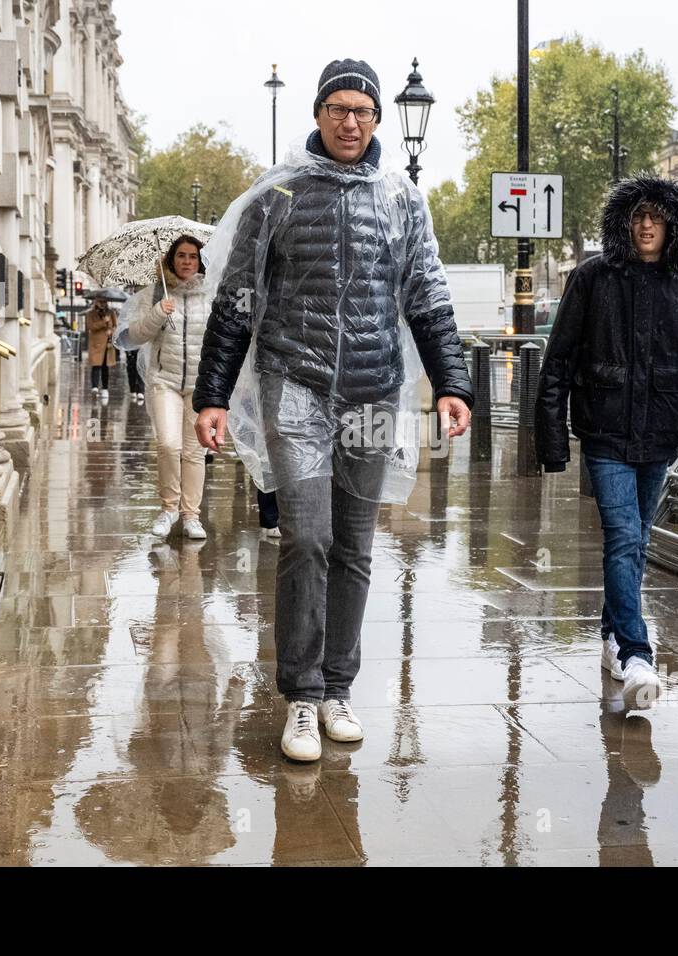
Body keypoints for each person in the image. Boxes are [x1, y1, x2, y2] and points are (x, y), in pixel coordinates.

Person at [193, 58, 473, 762]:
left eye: (364, 111)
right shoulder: (277, 198)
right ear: (319, 114)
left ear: (377, 120)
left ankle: (338, 687)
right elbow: (236, 302)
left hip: (374, 392)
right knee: (306, 537)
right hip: (297, 386)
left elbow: (427, 294)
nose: (351, 122)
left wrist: (452, 383)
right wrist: (212, 396)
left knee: (354, 545)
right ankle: (300, 696)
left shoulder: (403, 200)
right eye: (339, 108)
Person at [535, 174, 678, 710]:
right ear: (624, 222)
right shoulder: (593, 278)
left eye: (657, 216)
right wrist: (551, 441)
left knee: (637, 539)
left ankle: (609, 637)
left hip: (662, 433)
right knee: (623, 537)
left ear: (673, 225)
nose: (646, 225)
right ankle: (637, 653)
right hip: (604, 432)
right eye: (638, 216)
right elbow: (558, 362)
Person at [126, 236, 212, 540]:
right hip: (165, 382)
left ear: (200, 261)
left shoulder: (211, 294)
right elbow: (132, 336)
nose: (187, 261)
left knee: (194, 452)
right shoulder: (156, 294)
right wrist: (157, 313)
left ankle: (191, 515)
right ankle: (168, 508)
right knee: (167, 445)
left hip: (200, 387)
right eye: (181, 256)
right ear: (171, 260)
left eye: (193, 256)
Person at [85, 294, 117, 404]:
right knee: (96, 366)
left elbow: (115, 326)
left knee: (105, 367)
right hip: (96, 344)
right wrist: (104, 322)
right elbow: (91, 326)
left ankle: (105, 389)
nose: (102, 304)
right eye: (100, 302)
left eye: (104, 302)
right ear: (96, 302)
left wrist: (111, 331)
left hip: (107, 345)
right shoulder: (90, 314)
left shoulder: (111, 313)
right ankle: (94, 387)